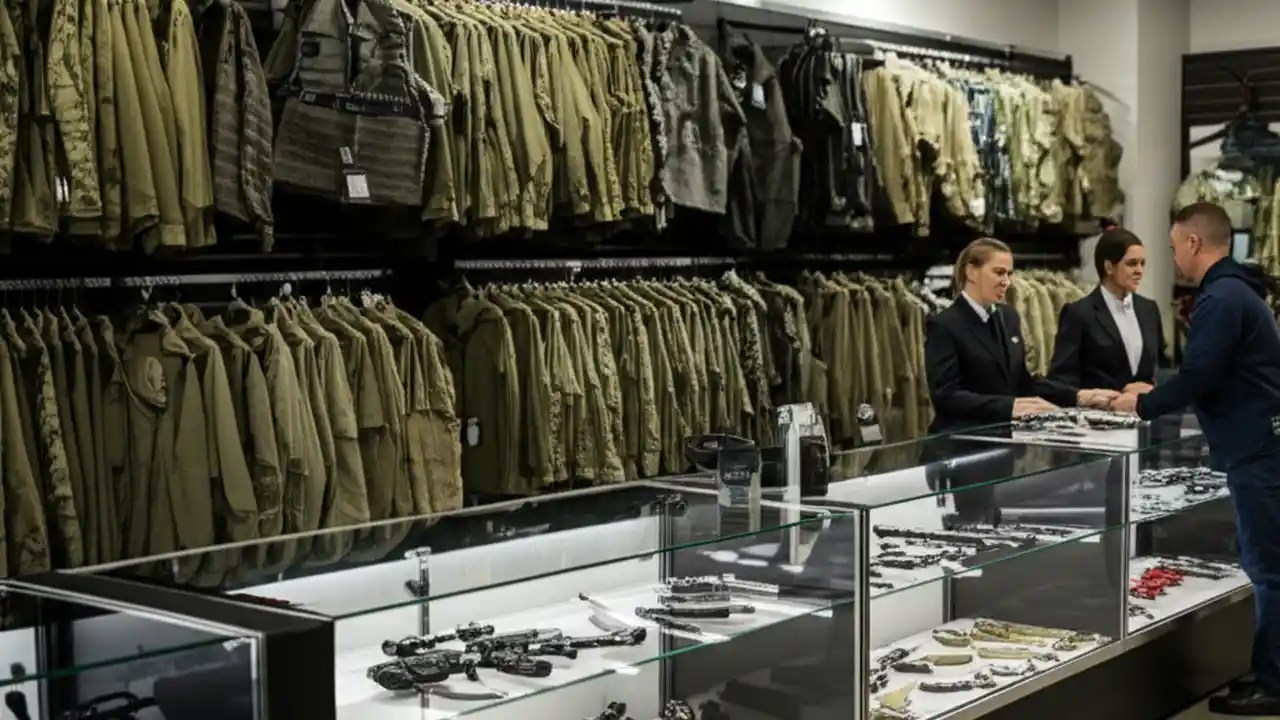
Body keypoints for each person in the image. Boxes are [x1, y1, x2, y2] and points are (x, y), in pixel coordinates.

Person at [1113, 202, 1280, 716]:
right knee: (1266, 563)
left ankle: (1273, 684)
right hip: (1259, 444)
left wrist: (1141, 403)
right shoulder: (1239, 292)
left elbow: (1200, 374)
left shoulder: (1222, 298)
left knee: (1269, 568)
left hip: (1256, 449)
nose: (1172, 259)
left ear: (1193, 242)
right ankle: (1268, 672)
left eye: (1171, 248)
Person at [926, 238, 1119, 434]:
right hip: (959, 440)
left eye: (1009, 274)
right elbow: (945, 396)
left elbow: (1023, 381)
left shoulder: (1008, 317)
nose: (1007, 282)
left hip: (1004, 438)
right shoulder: (944, 325)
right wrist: (1010, 407)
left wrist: (1078, 396)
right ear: (971, 272)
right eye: (999, 272)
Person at [1050, 228, 1165, 392]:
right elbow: (1062, 379)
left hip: (1146, 407)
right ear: (1109, 267)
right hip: (1098, 407)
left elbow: (1160, 367)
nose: (1139, 271)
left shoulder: (1149, 309)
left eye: (1142, 263)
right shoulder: (1079, 313)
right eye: (1132, 263)